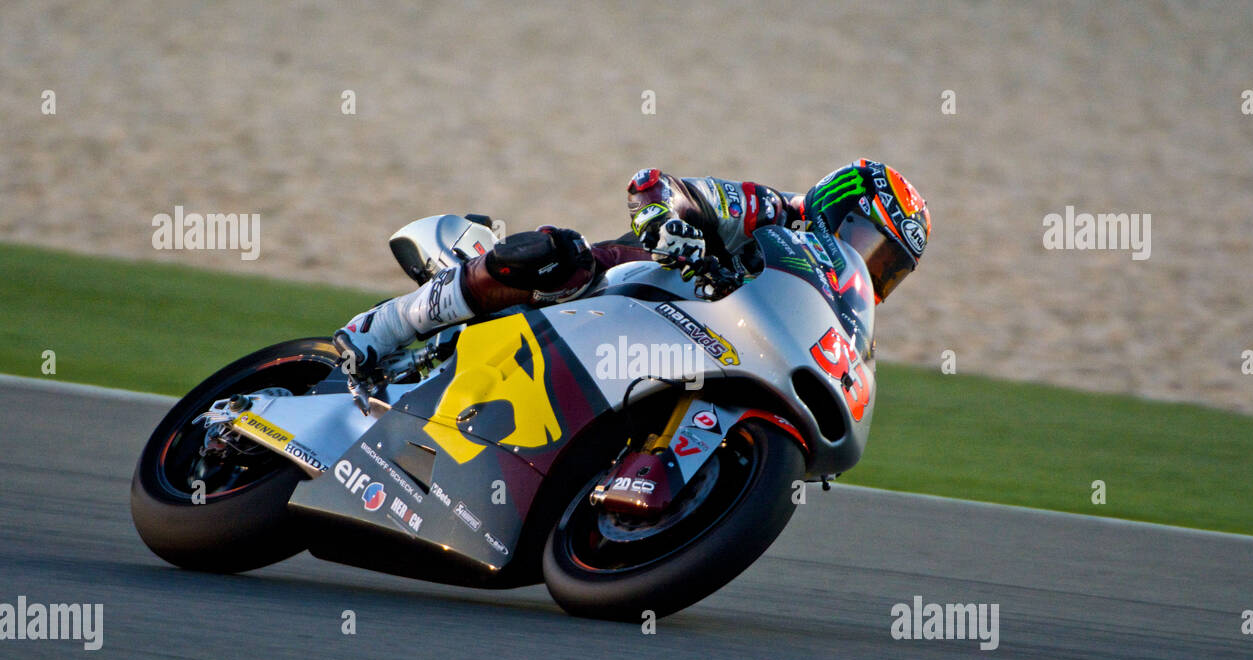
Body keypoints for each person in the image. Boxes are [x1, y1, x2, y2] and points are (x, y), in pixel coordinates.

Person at [333, 159, 930, 372]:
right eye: (868, 240)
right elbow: (654, 185)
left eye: (889, 269)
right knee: (555, 254)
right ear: (836, 205)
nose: (872, 268)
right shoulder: (770, 210)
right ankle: (384, 326)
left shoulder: (824, 307)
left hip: (696, 352)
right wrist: (668, 224)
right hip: (624, 287)